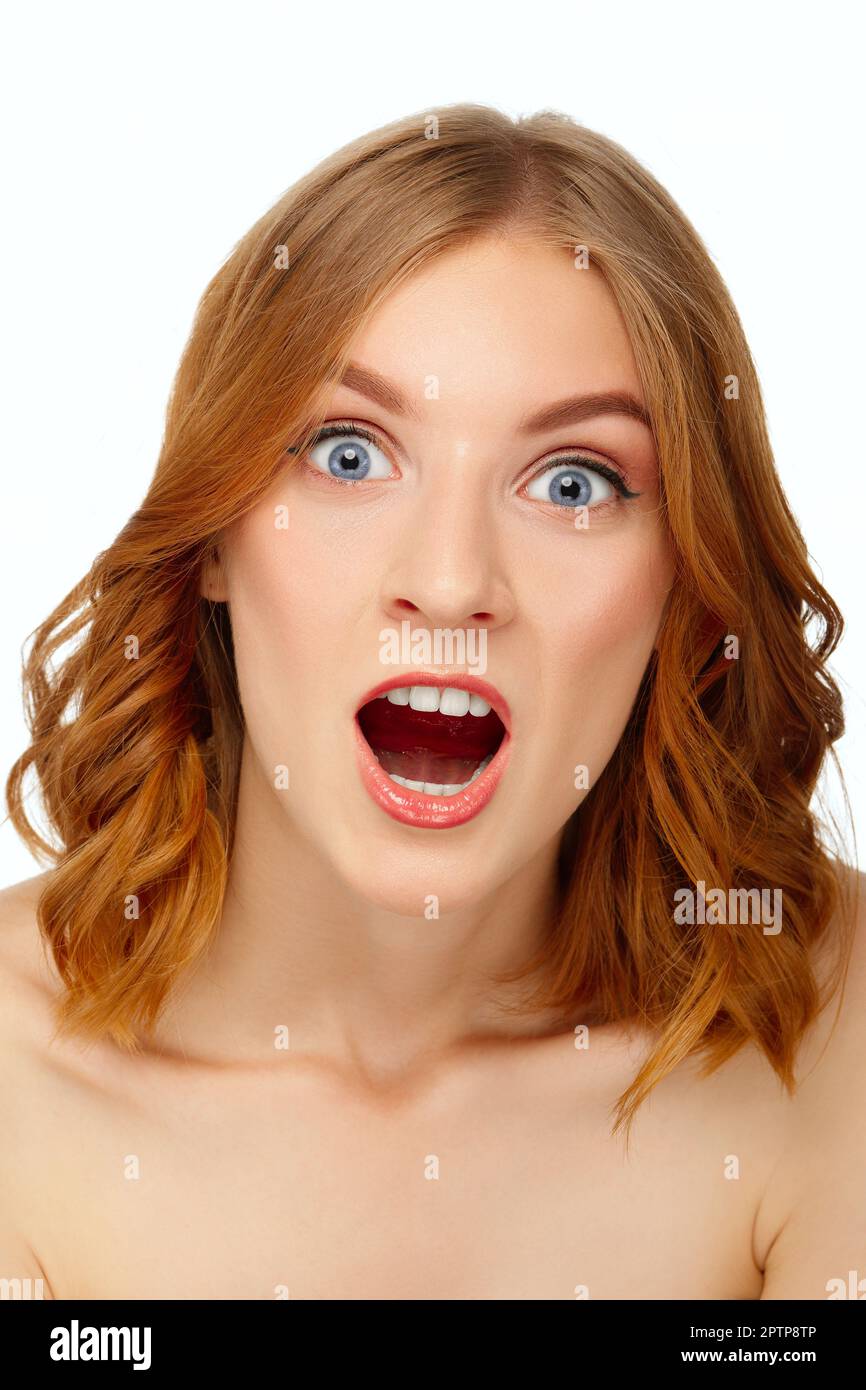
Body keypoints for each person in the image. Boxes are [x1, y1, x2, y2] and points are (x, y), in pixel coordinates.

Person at [2, 103, 863, 1301]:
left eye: (572, 480)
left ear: (690, 590)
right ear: (209, 538)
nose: (451, 580)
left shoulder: (832, 1030)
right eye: (348, 453)